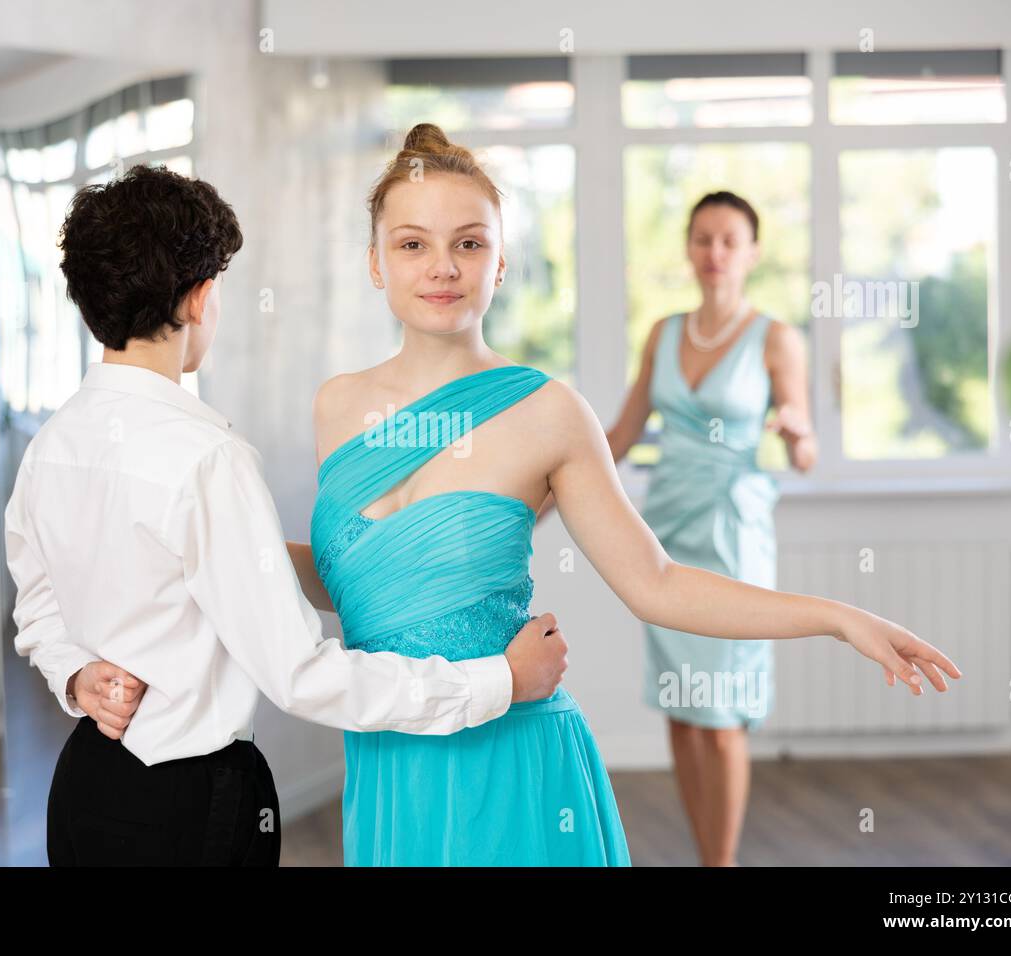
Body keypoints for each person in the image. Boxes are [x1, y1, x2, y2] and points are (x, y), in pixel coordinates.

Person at [307, 123, 961, 866]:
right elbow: (344, 573)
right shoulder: (336, 407)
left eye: (469, 243)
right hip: (388, 761)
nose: (442, 267)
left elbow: (657, 584)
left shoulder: (548, 412)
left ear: (500, 263)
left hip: (514, 763)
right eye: (412, 243)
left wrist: (838, 617)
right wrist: (220, 560)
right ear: (374, 262)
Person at [4, 164, 569, 867]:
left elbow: (37, 604)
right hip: (196, 804)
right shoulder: (209, 458)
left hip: (87, 784)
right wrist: (501, 682)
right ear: (202, 298)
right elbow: (300, 674)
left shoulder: (51, 446)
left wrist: (73, 673)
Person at [544, 190, 813, 864]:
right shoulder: (664, 333)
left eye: (729, 240)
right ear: (690, 249)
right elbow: (621, 435)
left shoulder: (776, 338)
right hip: (663, 542)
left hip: (733, 539)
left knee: (721, 723)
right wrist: (538, 489)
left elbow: (805, 452)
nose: (714, 252)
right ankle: (706, 856)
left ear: (752, 253)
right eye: (703, 239)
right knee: (685, 714)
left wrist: (796, 432)